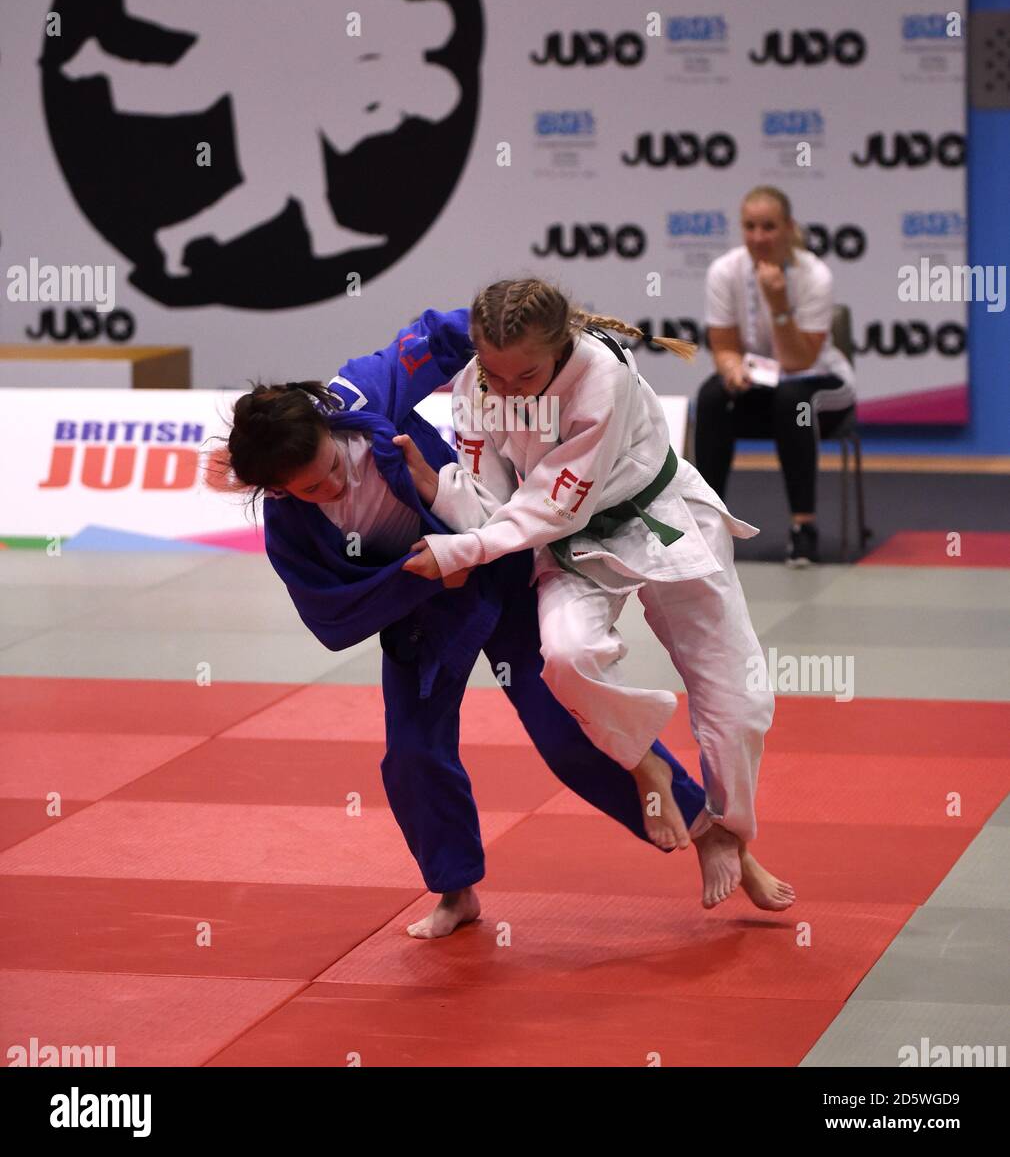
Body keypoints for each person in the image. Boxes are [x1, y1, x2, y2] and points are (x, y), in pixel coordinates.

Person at [207, 309, 771, 934]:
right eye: (312, 489)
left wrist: (544, 324)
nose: (334, 486)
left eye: (334, 464)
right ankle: (455, 891)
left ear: (325, 424)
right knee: (413, 756)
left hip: (493, 566)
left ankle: (709, 834)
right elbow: (330, 614)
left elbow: (447, 334)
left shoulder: (362, 393)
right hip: (419, 610)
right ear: (281, 492)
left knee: (566, 729)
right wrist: (412, 578)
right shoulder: (289, 529)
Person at [399, 283, 794, 912]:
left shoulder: (600, 374)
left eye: (525, 374)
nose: (508, 392)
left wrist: (459, 549)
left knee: (739, 702)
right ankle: (647, 765)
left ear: (560, 347)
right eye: (493, 375)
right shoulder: (479, 384)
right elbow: (497, 500)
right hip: (572, 546)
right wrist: (444, 495)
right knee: (565, 657)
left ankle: (730, 833)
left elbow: (555, 500)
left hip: (661, 518)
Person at [694, 185, 857, 566]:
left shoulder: (814, 274)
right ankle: (707, 525)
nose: (758, 237)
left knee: (793, 399)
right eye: (750, 227)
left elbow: (799, 361)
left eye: (768, 227)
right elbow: (723, 344)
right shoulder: (724, 270)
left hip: (821, 384)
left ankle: (804, 529)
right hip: (762, 384)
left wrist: (779, 304)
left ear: (788, 228)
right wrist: (732, 368)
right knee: (713, 395)